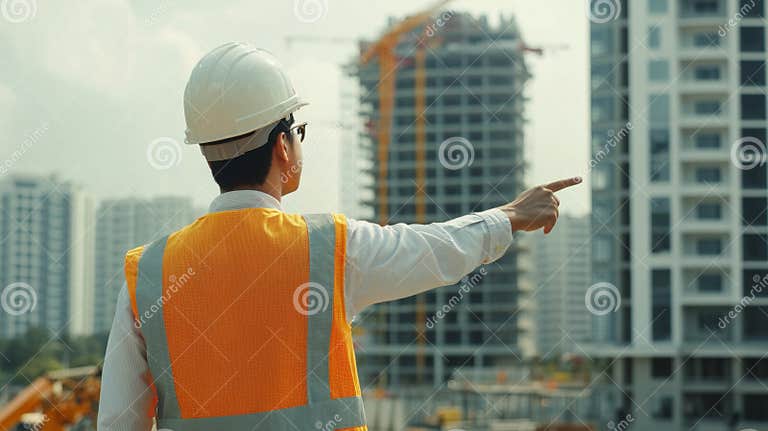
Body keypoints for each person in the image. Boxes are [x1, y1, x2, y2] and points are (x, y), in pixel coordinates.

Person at [97, 42, 581, 431]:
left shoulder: (148, 273)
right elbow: (433, 249)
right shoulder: (327, 248)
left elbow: (119, 421)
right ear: (283, 147)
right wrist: (509, 215)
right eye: (298, 131)